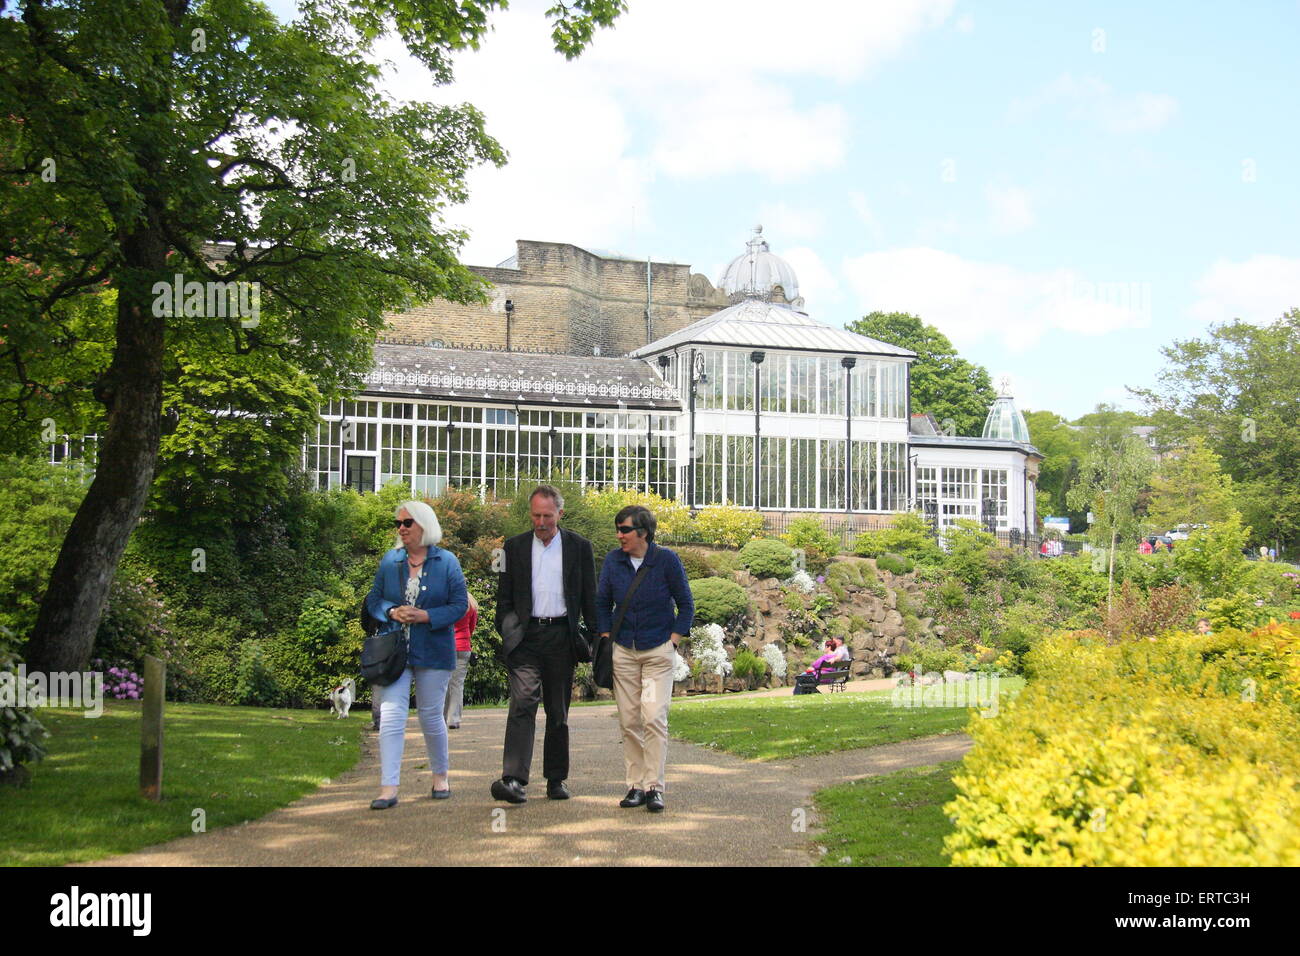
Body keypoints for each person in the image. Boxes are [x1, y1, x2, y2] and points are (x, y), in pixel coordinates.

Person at [492, 485, 598, 804]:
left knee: (558, 711)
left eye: (547, 516)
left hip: (561, 638)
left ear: (559, 514)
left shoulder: (579, 547)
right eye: (536, 515)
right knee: (523, 702)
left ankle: (556, 779)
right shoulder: (514, 547)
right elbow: (504, 600)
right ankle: (513, 779)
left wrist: (595, 640)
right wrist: (509, 630)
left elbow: (590, 599)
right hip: (526, 637)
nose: (540, 522)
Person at [364, 500, 467, 809]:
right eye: (398, 523)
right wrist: (392, 610)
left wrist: (425, 616)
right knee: (392, 715)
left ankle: (440, 776)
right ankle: (388, 787)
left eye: (407, 522)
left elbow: (459, 605)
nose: (401, 528)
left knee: (430, 716)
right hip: (393, 651)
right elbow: (374, 601)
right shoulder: (390, 561)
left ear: (424, 525)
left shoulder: (447, 562)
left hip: (434, 649)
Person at [596, 504, 694, 813]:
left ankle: (654, 787)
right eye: (618, 528)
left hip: (656, 653)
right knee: (629, 721)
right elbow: (601, 603)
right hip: (623, 652)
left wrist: (673, 642)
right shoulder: (614, 561)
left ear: (643, 533)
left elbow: (686, 604)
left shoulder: (666, 560)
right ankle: (635, 786)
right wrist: (605, 637)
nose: (619, 535)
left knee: (653, 717)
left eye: (624, 529)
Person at [444, 592, 478, 730]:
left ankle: (443, 716)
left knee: (444, 684)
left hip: (446, 646)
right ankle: (454, 719)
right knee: (457, 685)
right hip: (463, 647)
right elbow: (472, 627)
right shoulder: (470, 603)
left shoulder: (446, 602)